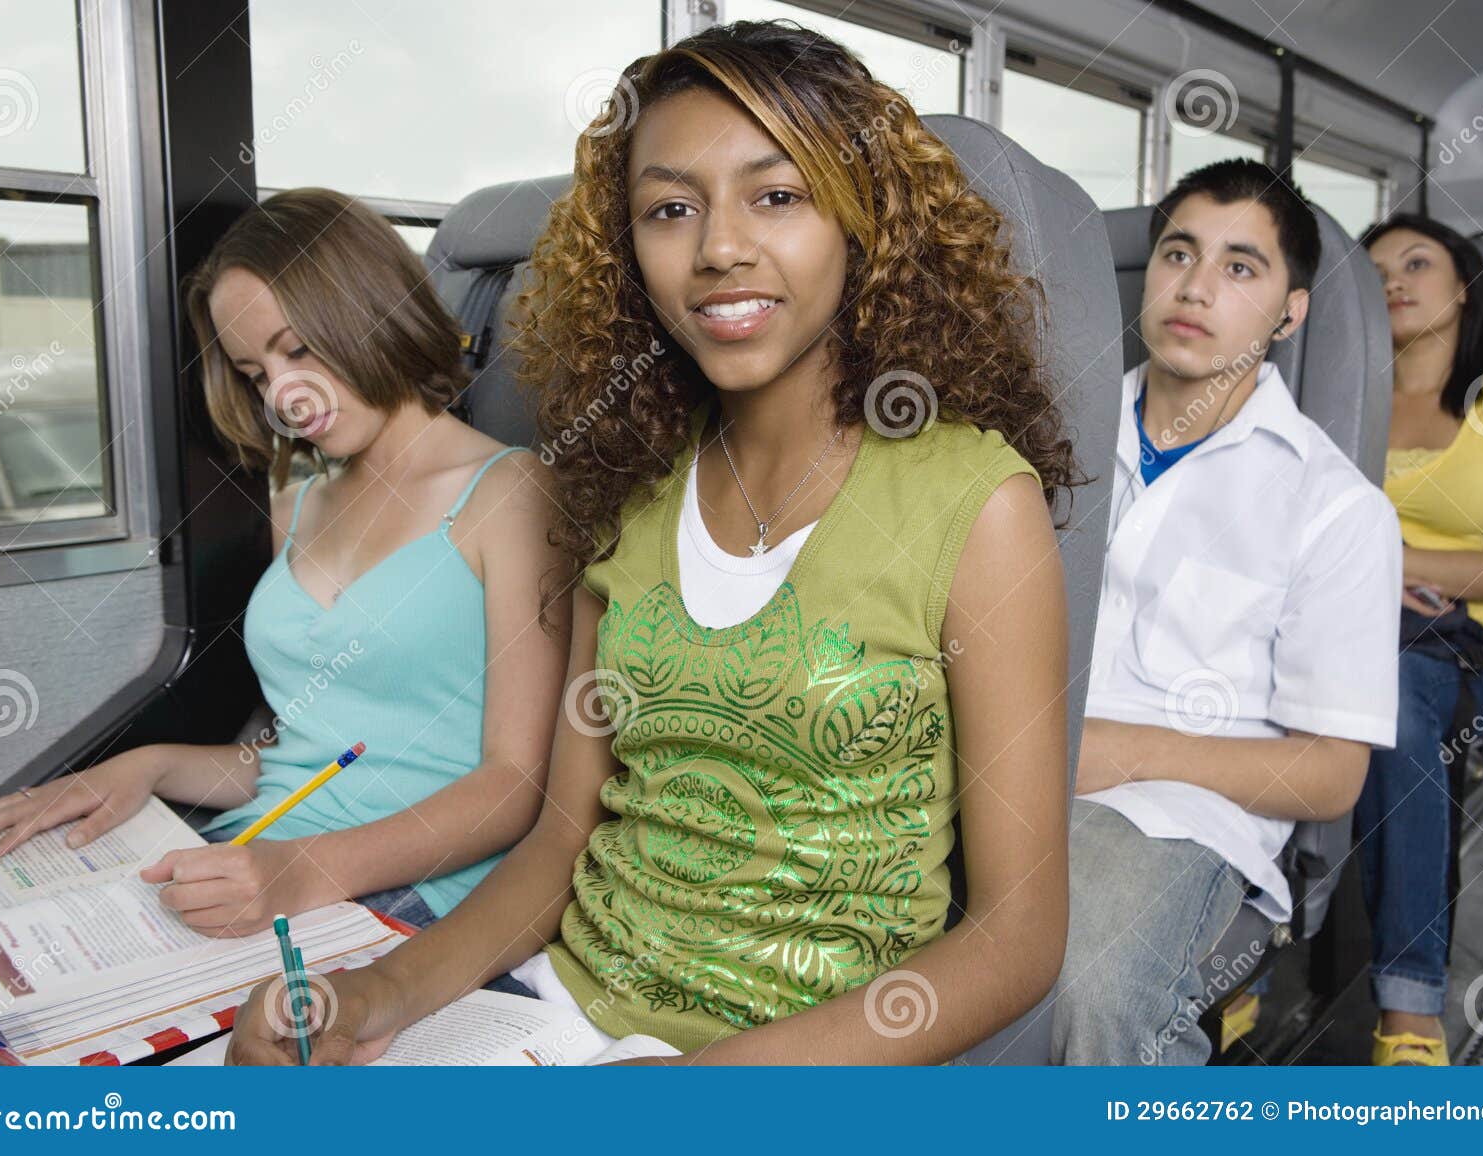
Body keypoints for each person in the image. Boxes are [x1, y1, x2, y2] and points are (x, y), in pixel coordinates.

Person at [228, 19, 1073, 1065]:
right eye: (671, 209)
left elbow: (1017, 938)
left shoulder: (976, 504)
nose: (719, 247)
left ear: (861, 221)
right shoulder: (627, 492)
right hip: (547, 1018)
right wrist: (378, 996)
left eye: (777, 195)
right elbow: (559, 840)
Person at [0, 189, 568, 936]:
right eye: (253, 373)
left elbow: (513, 787)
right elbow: (300, 751)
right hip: (259, 853)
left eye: (298, 351)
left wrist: (304, 870)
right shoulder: (295, 503)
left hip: (412, 889)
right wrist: (146, 764)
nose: (284, 396)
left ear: (373, 306)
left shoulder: (512, 494)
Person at [1050, 159, 1402, 1065]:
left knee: (1082, 991)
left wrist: (1112, 754)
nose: (1195, 286)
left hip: (1180, 813)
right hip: (1004, 760)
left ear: (1291, 314)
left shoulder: (1334, 506)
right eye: (1178, 253)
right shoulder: (1047, 431)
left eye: (1240, 267)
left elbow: (1330, 777)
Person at [1356, 214, 1483, 1065]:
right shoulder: (1340, 393)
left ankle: (1410, 1005)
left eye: (1417, 263)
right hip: (1335, 614)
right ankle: (1236, 958)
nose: (1393, 278)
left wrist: (1381, 557)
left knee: (1390, 704)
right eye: (1377, 269)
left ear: (1464, 289)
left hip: (1449, 640)